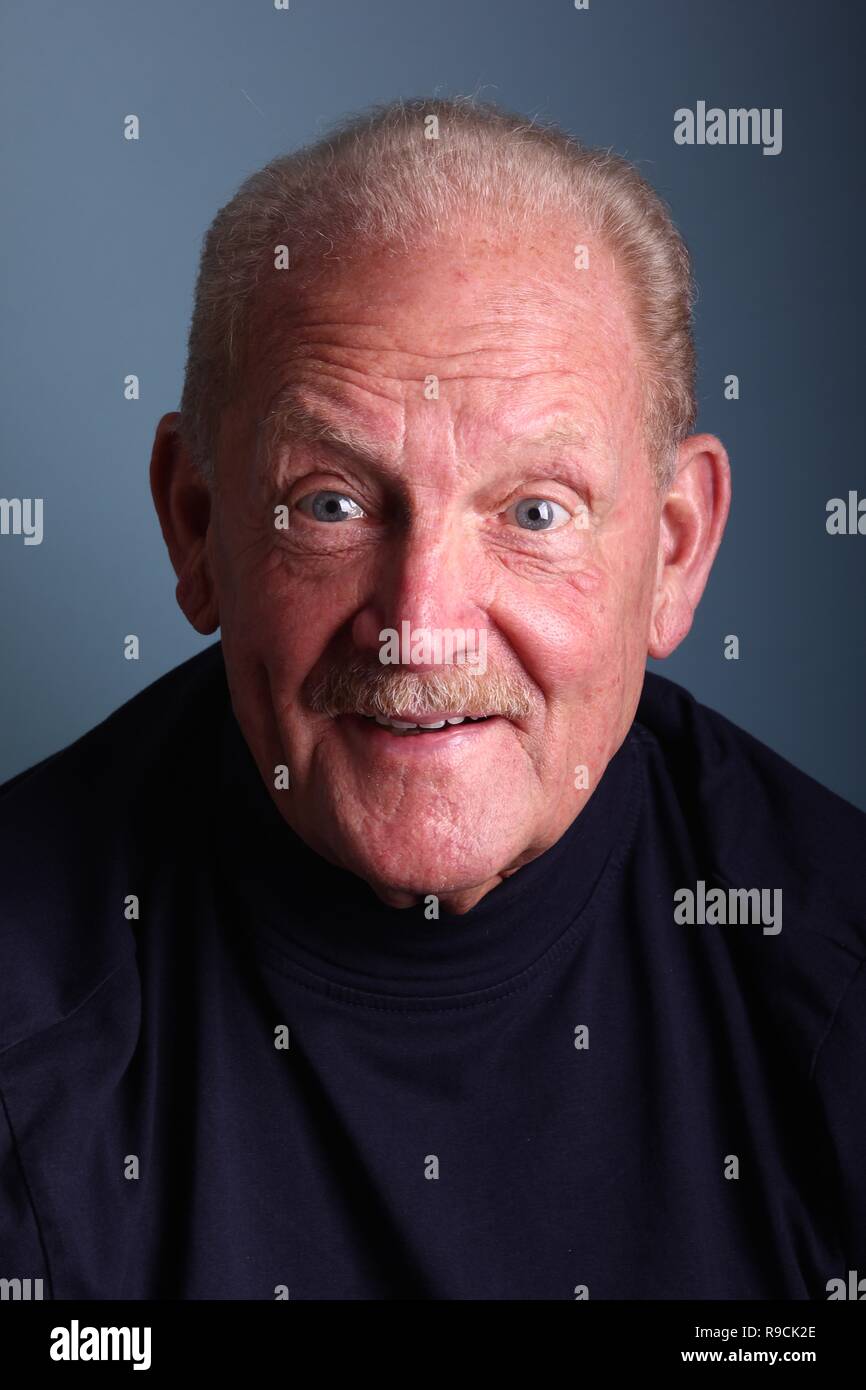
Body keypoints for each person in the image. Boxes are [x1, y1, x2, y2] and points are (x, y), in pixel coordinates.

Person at [1, 97, 863, 1301]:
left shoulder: (831, 988)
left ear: (673, 552)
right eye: (330, 503)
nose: (419, 625)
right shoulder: (26, 1024)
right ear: (196, 528)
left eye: (533, 512)